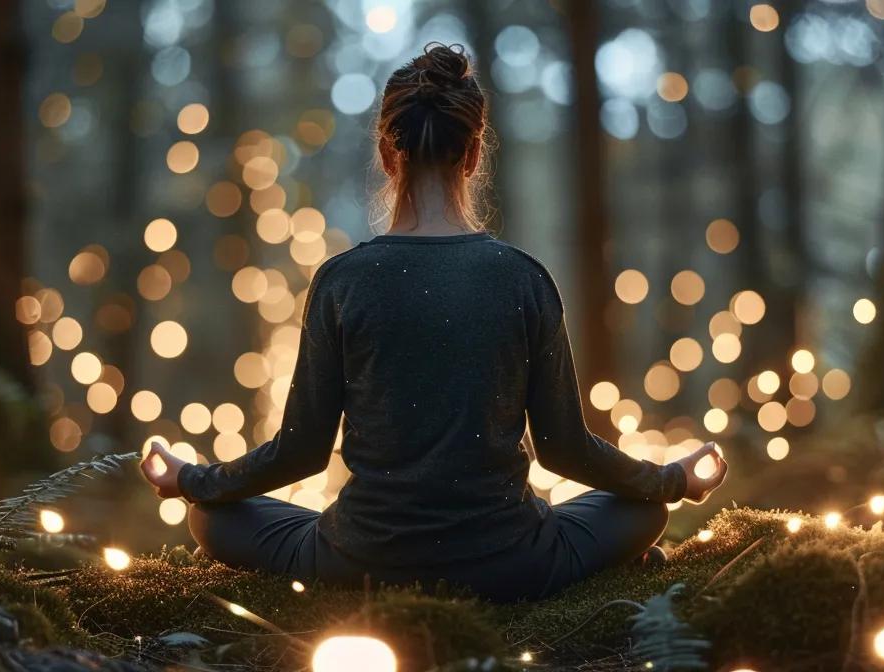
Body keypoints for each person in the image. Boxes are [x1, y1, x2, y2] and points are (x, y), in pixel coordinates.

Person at [138, 43, 727, 602]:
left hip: (361, 562)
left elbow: (300, 452)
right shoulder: (523, 277)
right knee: (644, 510)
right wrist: (671, 481)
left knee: (210, 519)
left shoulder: (342, 280)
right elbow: (565, 450)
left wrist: (194, 481)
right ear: (473, 154)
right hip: (513, 563)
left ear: (387, 154)